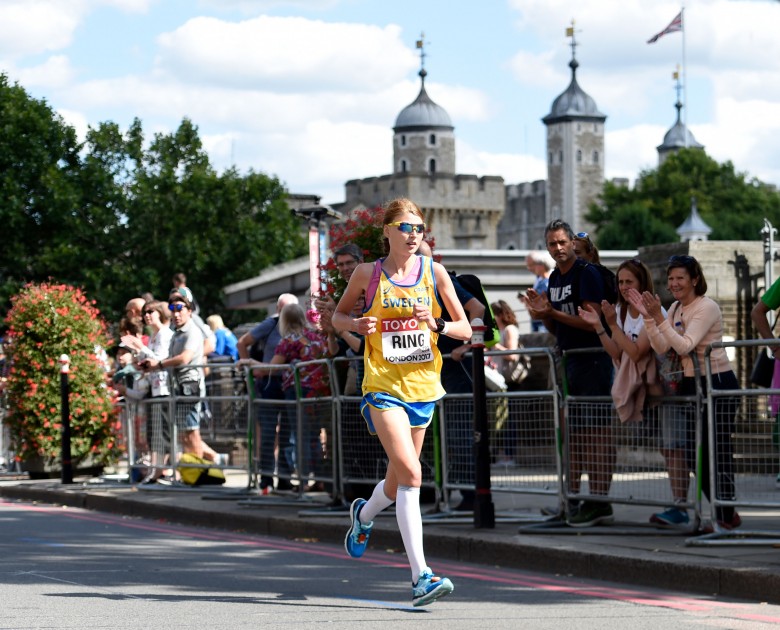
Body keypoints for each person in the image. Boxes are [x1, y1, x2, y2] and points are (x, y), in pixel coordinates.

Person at [332, 197, 471, 607]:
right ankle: (420, 577)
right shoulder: (367, 273)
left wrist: (436, 323)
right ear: (388, 232)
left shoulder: (434, 272)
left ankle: (363, 515)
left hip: (423, 387)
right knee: (412, 473)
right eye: (406, 228)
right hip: (382, 385)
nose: (413, 235)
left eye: (419, 228)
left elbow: (465, 329)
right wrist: (357, 324)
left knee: (397, 481)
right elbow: (338, 318)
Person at [628, 254, 741, 531]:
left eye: (680, 278)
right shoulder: (675, 307)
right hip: (692, 383)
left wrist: (658, 318)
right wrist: (650, 318)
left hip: (717, 382)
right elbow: (661, 347)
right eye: (671, 278)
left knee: (716, 450)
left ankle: (725, 515)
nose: (674, 283)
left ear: (695, 280)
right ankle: (721, 512)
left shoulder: (706, 306)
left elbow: (685, 345)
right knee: (693, 452)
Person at [522, 218, 615, 528]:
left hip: (593, 359)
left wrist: (552, 312)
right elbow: (557, 327)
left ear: (573, 243)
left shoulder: (586, 273)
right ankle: (572, 499)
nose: (558, 248)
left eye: (562, 242)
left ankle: (599, 501)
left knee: (596, 433)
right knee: (573, 434)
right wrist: (543, 314)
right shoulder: (554, 278)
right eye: (552, 244)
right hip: (569, 359)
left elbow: (592, 320)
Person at [244, 303, 331, 485]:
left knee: (301, 436)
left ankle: (304, 481)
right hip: (320, 390)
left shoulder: (289, 340)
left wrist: (250, 363)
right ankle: (320, 480)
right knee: (313, 435)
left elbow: (272, 367)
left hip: (298, 391)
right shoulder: (315, 336)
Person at [143, 290, 222, 468]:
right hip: (178, 386)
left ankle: (198, 472)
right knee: (185, 434)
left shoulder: (192, 331)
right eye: (173, 309)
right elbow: (172, 358)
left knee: (191, 432)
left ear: (189, 311)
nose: (176, 314)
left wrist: (158, 364)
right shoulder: (176, 333)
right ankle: (193, 471)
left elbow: (184, 358)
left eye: (180, 309)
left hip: (190, 386)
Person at [237, 293, 299, 492]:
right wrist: (250, 371)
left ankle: (285, 478)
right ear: (278, 310)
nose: (286, 313)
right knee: (268, 432)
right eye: (283, 309)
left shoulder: (301, 329)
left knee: (288, 434)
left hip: (290, 385)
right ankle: (266, 478)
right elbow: (242, 342)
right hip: (269, 384)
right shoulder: (270, 324)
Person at [121, 300, 174, 483]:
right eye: (145, 312)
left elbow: (160, 360)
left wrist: (140, 347)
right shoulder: (153, 336)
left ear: (160, 313)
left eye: (151, 311)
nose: (147, 315)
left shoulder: (165, 334)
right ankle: (157, 471)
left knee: (163, 433)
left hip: (164, 388)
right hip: (154, 387)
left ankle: (163, 471)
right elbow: (150, 362)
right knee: (154, 433)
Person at [490, 299, 523, 466]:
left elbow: (512, 355)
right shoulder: (496, 330)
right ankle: (500, 455)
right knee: (499, 419)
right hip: (497, 380)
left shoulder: (510, 329)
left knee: (509, 420)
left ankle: (509, 456)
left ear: (500, 315)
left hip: (509, 381)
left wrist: (495, 346)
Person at [524, 251, 554, 332]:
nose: (533, 268)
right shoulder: (540, 280)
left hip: (544, 323)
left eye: (535, 264)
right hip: (538, 321)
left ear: (541, 266)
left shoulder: (548, 282)